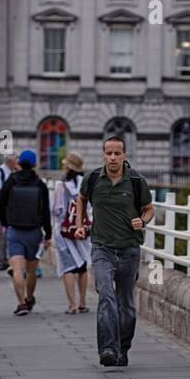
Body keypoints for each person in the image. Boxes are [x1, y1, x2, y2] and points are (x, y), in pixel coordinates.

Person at [75, 136, 154, 367]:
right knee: (106, 297)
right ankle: (108, 348)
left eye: (117, 153)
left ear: (124, 156)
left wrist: (143, 220)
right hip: (102, 248)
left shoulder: (136, 181)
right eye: (108, 153)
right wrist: (81, 224)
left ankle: (123, 348)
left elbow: (149, 209)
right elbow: (81, 199)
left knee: (126, 305)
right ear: (103, 155)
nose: (112, 157)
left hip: (129, 249)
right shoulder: (92, 179)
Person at [0, 149, 52, 316]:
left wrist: (6, 224)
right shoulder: (40, 184)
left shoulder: (11, 181)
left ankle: (21, 303)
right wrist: (48, 234)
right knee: (31, 270)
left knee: (16, 269)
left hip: (14, 230)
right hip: (34, 232)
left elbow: (2, 204)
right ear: (35, 164)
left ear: (19, 163)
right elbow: (45, 212)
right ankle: (29, 298)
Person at [53, 152, 92, 313]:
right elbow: (90, 208)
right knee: (82, 266)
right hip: (83, 231)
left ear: (69, 167)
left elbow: (56, 210)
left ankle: (72, 305)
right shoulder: (87, 184)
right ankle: (82, 302)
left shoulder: (61, 186)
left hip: (64, 231)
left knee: (68, 267)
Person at [0, 153, 20, 270]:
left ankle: (4, 259)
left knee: (7, 236)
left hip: (9, 209)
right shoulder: (0, 172)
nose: (18, 162)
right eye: (16, 160)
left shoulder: (11, 172)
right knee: (0, 235)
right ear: (10, 161)